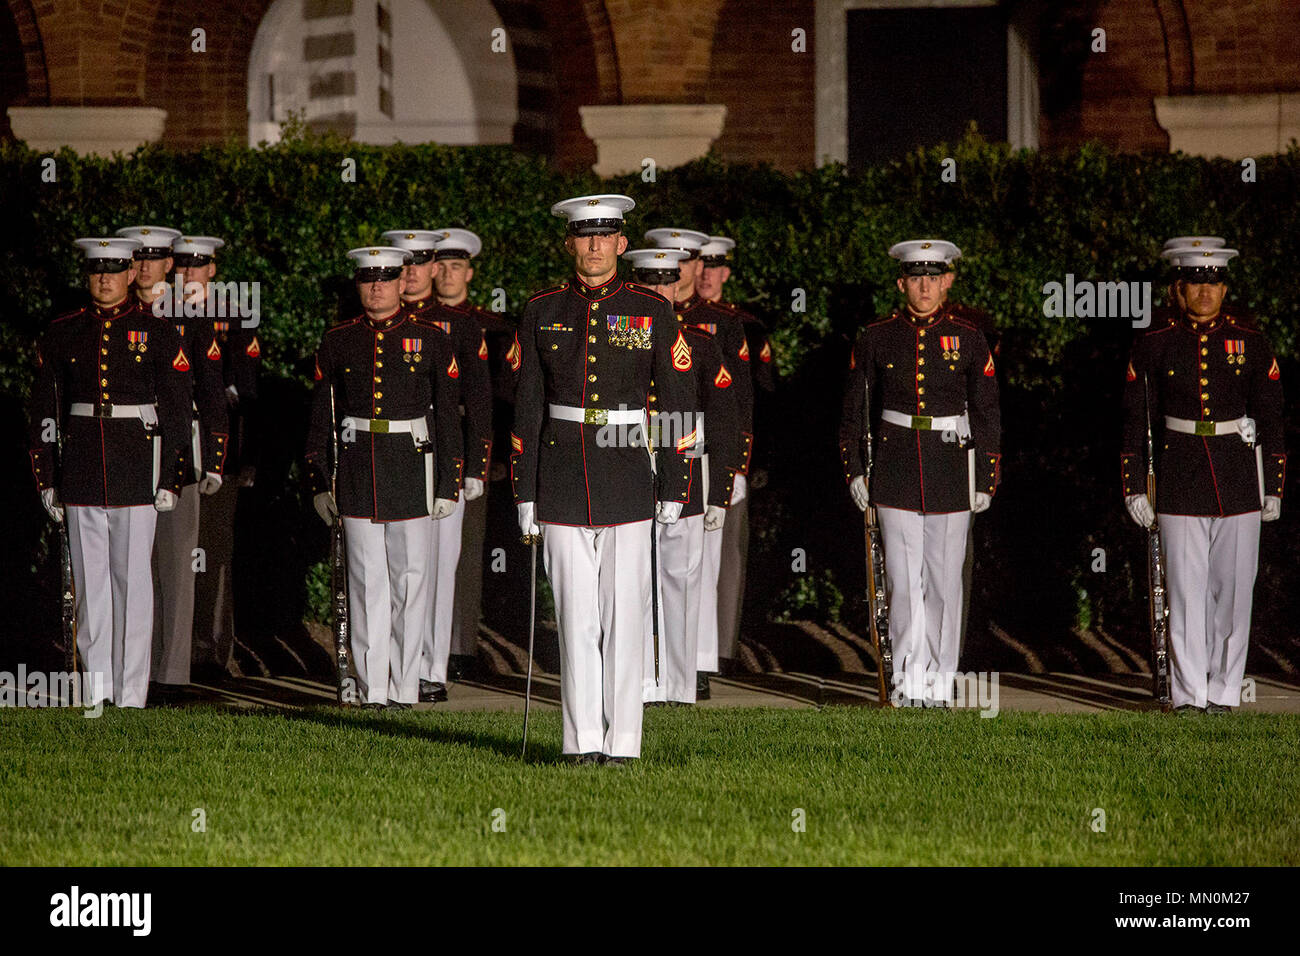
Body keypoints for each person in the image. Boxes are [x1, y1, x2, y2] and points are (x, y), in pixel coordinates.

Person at [512, 194, 696, 764]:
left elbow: (678, 401)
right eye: (583, 235)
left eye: (604, 235)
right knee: (574, 618)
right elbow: (528, 405)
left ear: (622, 243)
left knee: (625, 615)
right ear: (569, 243)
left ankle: (624, 743)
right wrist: (525, 491)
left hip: (626, 474)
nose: (593, 245)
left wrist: (674, 482)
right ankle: (580, 741)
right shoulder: (541, 310)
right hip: (562, 475)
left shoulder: (652, 310)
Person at [28, 237, 191, 708]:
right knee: (90, 586)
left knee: (133, 581)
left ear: (130, 273)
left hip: (137, 469)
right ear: (88, 275)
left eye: (114, 269)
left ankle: (132, 692)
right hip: (80, 469)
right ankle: (95, 689)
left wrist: (171, 476)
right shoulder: (63, 331)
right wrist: (47, 478)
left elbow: (178, 411)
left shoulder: (158, 332)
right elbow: (45, 410)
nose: (105, 278)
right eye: (97, 270)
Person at [1121, 243, 1284, 714]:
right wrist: (1134, 484)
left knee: (1233, 592)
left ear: (1225, 287)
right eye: (1196, 282)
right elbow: (1136, 420)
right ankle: (1190, 695)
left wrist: (1272, 483)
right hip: (1179, 473)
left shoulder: (1251, 340)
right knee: (1185, 594)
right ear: (1179, 288)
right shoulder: (1154, 342)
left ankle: (1225, 691)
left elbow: (1271, 416)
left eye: (1213, 282)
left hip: (1238, 475)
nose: (1205, 291)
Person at [838, 239, 1001, 707]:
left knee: (946, 582)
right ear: (901, 283)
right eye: (916, 277)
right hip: (896, 465)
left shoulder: (969, 337)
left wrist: (986, 475)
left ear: (946, 281)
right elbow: (855, 410)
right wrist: (854, 468)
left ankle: (940, 682)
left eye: (933, 276)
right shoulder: (876, 336)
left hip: (952, 465)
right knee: (903, 584)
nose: (925, 286)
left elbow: (988, 412)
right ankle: (908, 682)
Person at [305, 246, 462, 709]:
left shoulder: (431, 338)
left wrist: (449, 483)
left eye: (386, 278)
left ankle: (405, 686)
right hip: (356, 471)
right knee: (366, 582)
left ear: (400, 282)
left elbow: (449, 420)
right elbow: (322, 417)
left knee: (411, 584)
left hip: (413, 470)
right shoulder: (338, 341)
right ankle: (373, 688)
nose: (376, 287)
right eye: (367, 279)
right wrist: (318, 479)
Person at [624, 247, 740, 705]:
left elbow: (725, 417)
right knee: (633, 580)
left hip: (687, 471)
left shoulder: (702, 345)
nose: (657, 292)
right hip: (628, 465)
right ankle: (639, 682)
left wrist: (720, 492)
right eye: (647, 283)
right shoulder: (619, 339)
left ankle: (679, 683)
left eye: (664, 283)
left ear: (677, 286)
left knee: (682, 580)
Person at [116, 225, 226, 703]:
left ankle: (173, 673)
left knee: (177, 565)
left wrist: (215, 459)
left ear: (169, 265)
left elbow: (210, 389)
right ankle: (130, 670)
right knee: (129, 564)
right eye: (138, 257)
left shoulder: (190, 316)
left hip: (178, 446)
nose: (144, 266)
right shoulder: (115, 317)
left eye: (155, 258)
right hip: (126, 447)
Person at [383, 228, 492, 703]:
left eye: (420, 263)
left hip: (444, 456)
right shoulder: (378, 322)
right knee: (392, 567)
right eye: (403, 263)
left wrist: (474, 468)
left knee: (439, 566)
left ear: (432, 268)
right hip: (390, 457)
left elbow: (480, 400)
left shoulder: (459, 325)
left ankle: (430, 667)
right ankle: (387, 665)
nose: (411, 272)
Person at [175, 235, 260, 680]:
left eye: (198, 265)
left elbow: (246, 391)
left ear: (213, 270)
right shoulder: (159, 314)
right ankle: (173, 650)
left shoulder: (235, 315)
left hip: (220, 452)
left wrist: (245, 459)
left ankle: (209, 651)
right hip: (175, 445)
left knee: (212, 552)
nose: (189, 273)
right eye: (182, 266)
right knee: (172, 553)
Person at [432, 228, 514, 681]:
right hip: (426, 444)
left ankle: (461, 647)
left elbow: (502, 399)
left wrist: (496, 455)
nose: (447, 274)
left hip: (474, 451)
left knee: (467, 551)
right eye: (440, 265)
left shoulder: (494, 327)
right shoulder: (412, 320)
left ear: (471, 272)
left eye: (456, 266)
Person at [696, 235, 773, 679]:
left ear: (726, 272)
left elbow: (754, 400)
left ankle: (721, 650)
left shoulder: (743, 326)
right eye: (698, 266)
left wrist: (745, 464)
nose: (705, 274)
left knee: (726, 556)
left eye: (714, 266)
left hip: (726, 454)